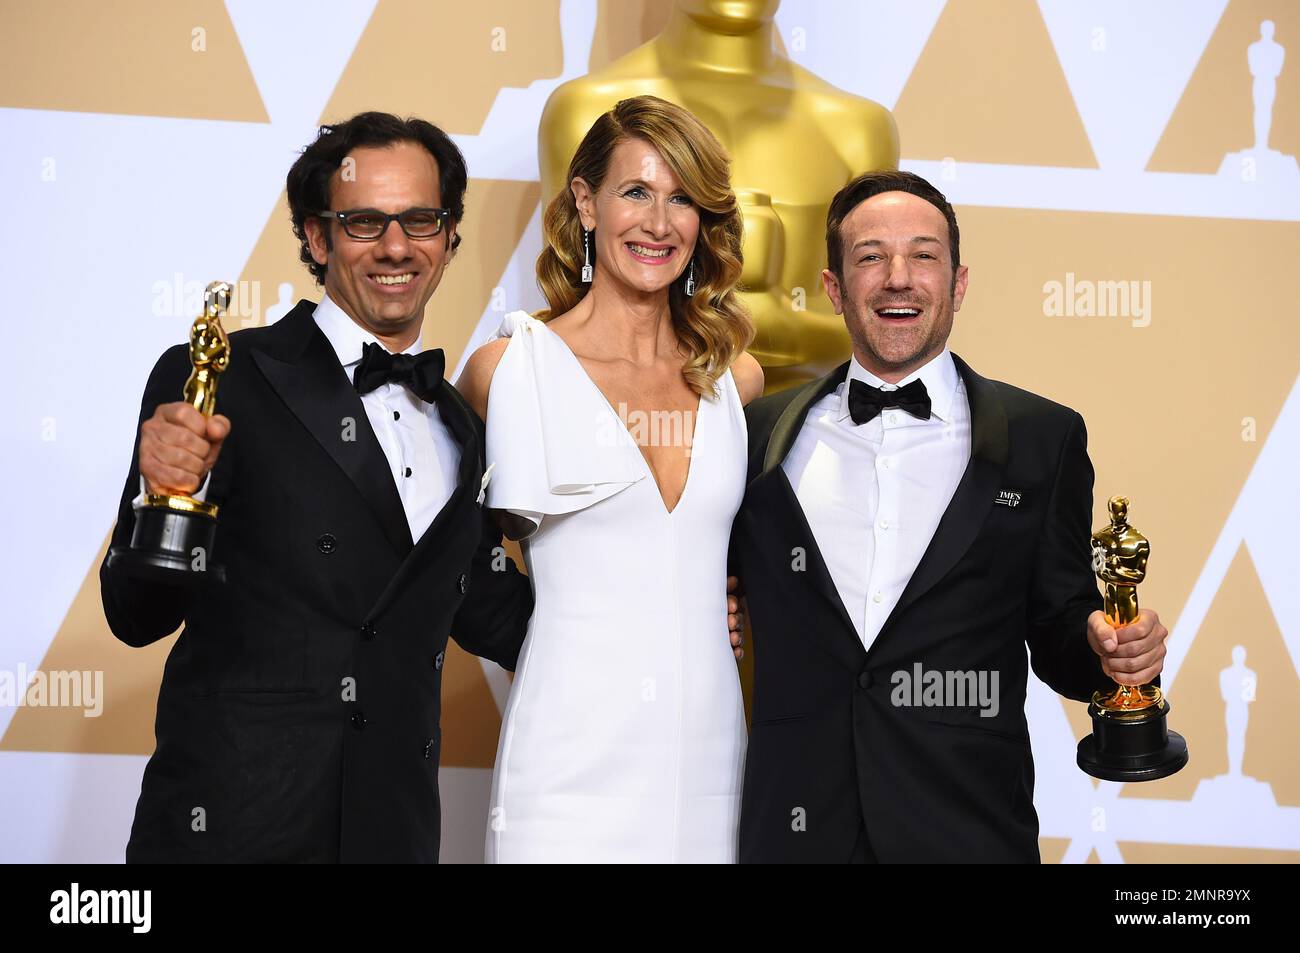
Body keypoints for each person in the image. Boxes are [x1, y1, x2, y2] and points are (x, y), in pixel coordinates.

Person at [101, 112, 536, 863]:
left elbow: (501, 618)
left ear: (449, 235)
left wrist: (678, 608)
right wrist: (163, 495)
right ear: (316, 236)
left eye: (420, 219)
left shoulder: (467, 428)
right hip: (232, 828)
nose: (396, 246)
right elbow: (134, 614)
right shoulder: (221, 377)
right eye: (364, 222)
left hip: (391, 836)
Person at [730, 170, 1171, 863]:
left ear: (958, 284)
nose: (898, 277)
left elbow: (1060, 626)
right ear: (835, 287)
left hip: (967, 833)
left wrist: (1107, 648)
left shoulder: (1041, 438)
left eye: (924, 255)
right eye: (871, 256)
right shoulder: (753, 435)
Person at [458, 95, 764, 862]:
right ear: (586, 203)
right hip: (567, 761)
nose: (659, 223)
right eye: (636, 192)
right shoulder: (509, 373)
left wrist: (738, 595)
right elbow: (453, 562)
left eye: (683, 198)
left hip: (710, 754)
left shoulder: (736, 380)